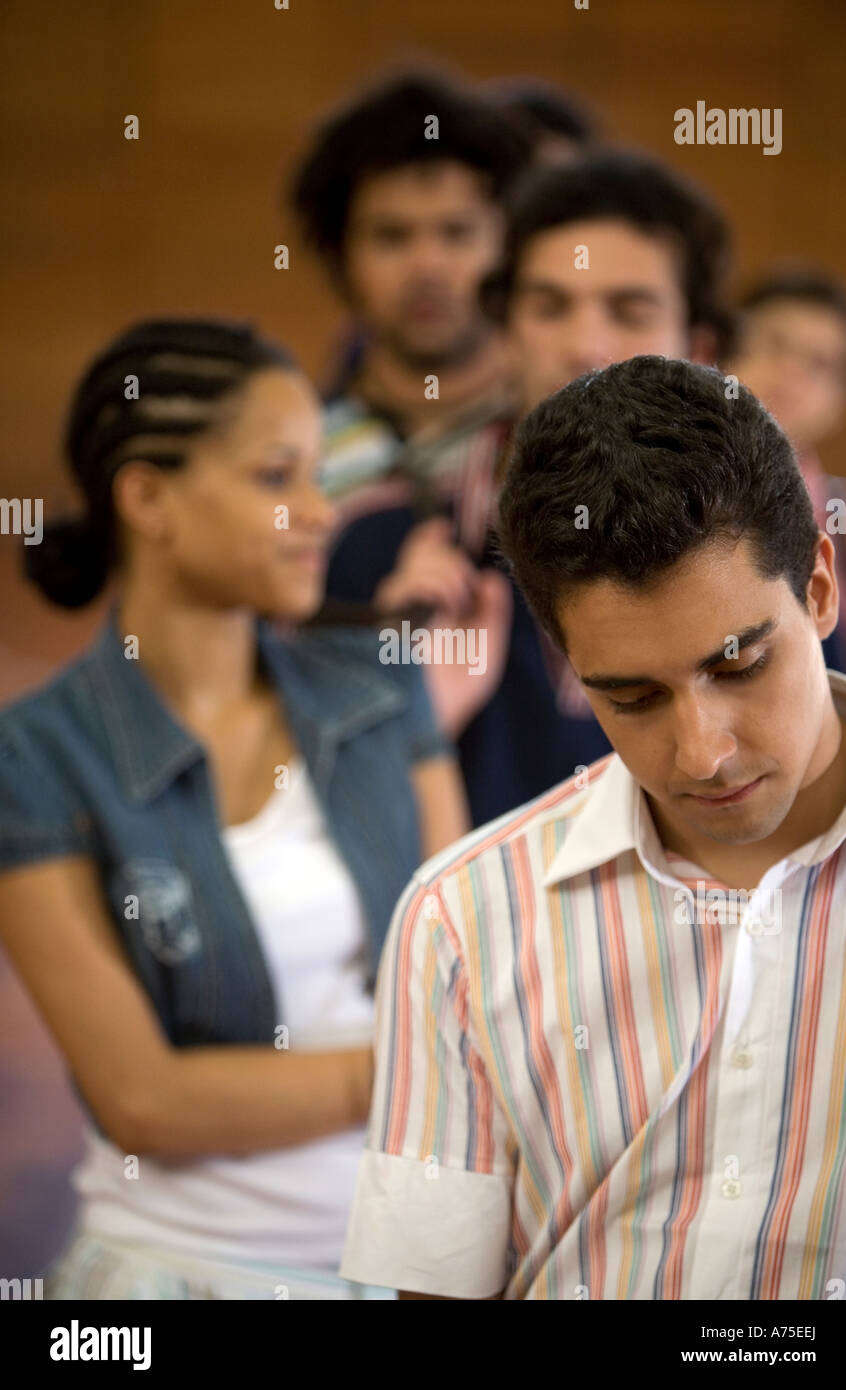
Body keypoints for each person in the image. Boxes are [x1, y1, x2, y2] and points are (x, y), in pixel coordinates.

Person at [339, 355, 846, 1300]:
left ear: (820, 589)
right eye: (631, 696)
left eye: (740, 665)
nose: (702, 751)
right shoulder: (464, 920)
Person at [0, 317, 468, 1300]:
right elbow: (144, 1100)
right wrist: (405, 1070)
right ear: (147, 497)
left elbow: (468, 997)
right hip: (171, 1273)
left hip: (407, 1267)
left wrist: (435, 1063)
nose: (319, 510)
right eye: (275, 476)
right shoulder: (36, 750)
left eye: (317, 476)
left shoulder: (380, 687)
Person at [323, 151, 734, 825]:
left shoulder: (770, 552)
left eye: (628, 311)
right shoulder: (377, 545)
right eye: (549, 307)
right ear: (505, 332)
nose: (585, 345)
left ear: (699, 344)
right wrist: (393, 689)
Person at [288, 66, 532, 482]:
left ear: (512, 244)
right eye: (391, 236)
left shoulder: (564, 448)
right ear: (340, 254)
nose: (427, 267)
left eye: (457, 233)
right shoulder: (296, 456)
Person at [727, 265, 846, 683]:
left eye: (820, 364)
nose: (792, 372)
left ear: (843, 401)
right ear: (722, 350)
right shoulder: (666, 485)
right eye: (774, 343)